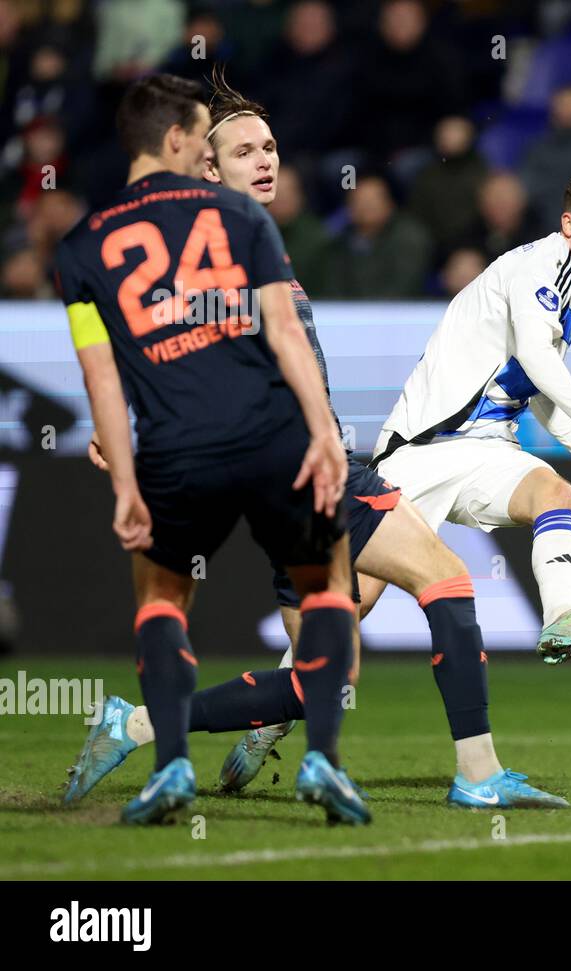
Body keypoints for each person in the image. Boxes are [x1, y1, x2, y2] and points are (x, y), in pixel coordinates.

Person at [64, 71, 569, 811]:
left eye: (270, 147)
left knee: (322, 677)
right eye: (245, 152)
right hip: (308, 468)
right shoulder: (225, 249)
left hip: (295, 475)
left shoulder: (239, 239)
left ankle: (136, 722)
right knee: (448, 581)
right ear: (207, 166)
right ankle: (479, 773)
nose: (266, 160)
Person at [53, 74, 364, 825]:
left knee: (162, 600)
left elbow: (103, 370)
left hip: (175, 448)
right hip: (269, 439)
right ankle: (322, 756)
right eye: (203, 136)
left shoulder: (81, 247)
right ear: (178, 143)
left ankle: (167, 768)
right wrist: (324, 431)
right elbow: (282, 333)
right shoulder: (237, 220)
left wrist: (122, 468)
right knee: (328, 591)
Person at [370, 168, 571, 663]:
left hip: (489, 450)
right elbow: (539, 360)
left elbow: (535, 386)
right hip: (420, 450)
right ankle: (266, 725)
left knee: (556, 492)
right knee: (347, 606)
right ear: (569, 225)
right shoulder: (538, 269)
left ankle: (560, 619)